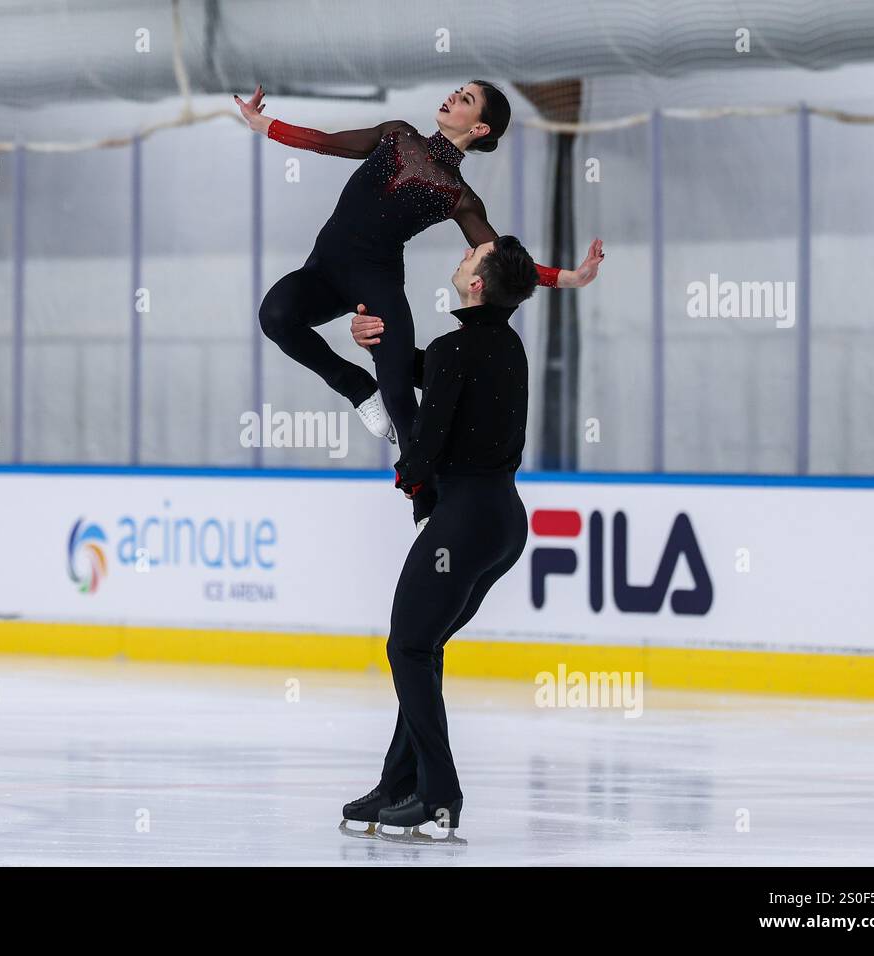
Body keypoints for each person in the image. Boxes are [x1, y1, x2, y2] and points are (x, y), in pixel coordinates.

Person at [235, 81, 603, 527]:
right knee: (275, 315)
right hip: (324, 272)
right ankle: (355, 387)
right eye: (458, 90)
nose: (453, 96)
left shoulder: (459, 196)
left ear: (480, 126)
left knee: (399, 395)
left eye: (465, 99)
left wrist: (568, 277)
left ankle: (426, 509)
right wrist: (263, 125)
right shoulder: (397, 133)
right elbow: (327, 143)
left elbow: (504, 262)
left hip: (378, 284)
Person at [340, 235, 539, 838]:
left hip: (464, 521)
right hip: (501, 521)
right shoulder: (506, 346)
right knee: (422, 649)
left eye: (473, 258)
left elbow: (427, 438)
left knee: (408, 647)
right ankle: (400, 784)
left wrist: (409, 476)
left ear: (477, 284)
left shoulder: (459, 349)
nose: (463, 258)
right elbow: (444, 372)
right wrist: (386, 346)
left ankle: (438, 794)